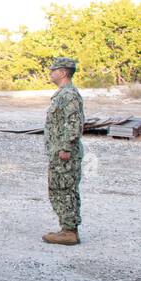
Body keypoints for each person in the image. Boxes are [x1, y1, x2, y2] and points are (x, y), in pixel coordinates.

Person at [41, 57, 85, 246]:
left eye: (54, 70)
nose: (51, 73)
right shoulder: (63, 93)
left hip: (64, 153)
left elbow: (74, 122)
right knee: (60, 189)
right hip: (59, 151)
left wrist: (66, 147)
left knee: (64, 190)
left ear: (63, 72)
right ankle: (67, 228)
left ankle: (69, 232)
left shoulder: (68, 95)